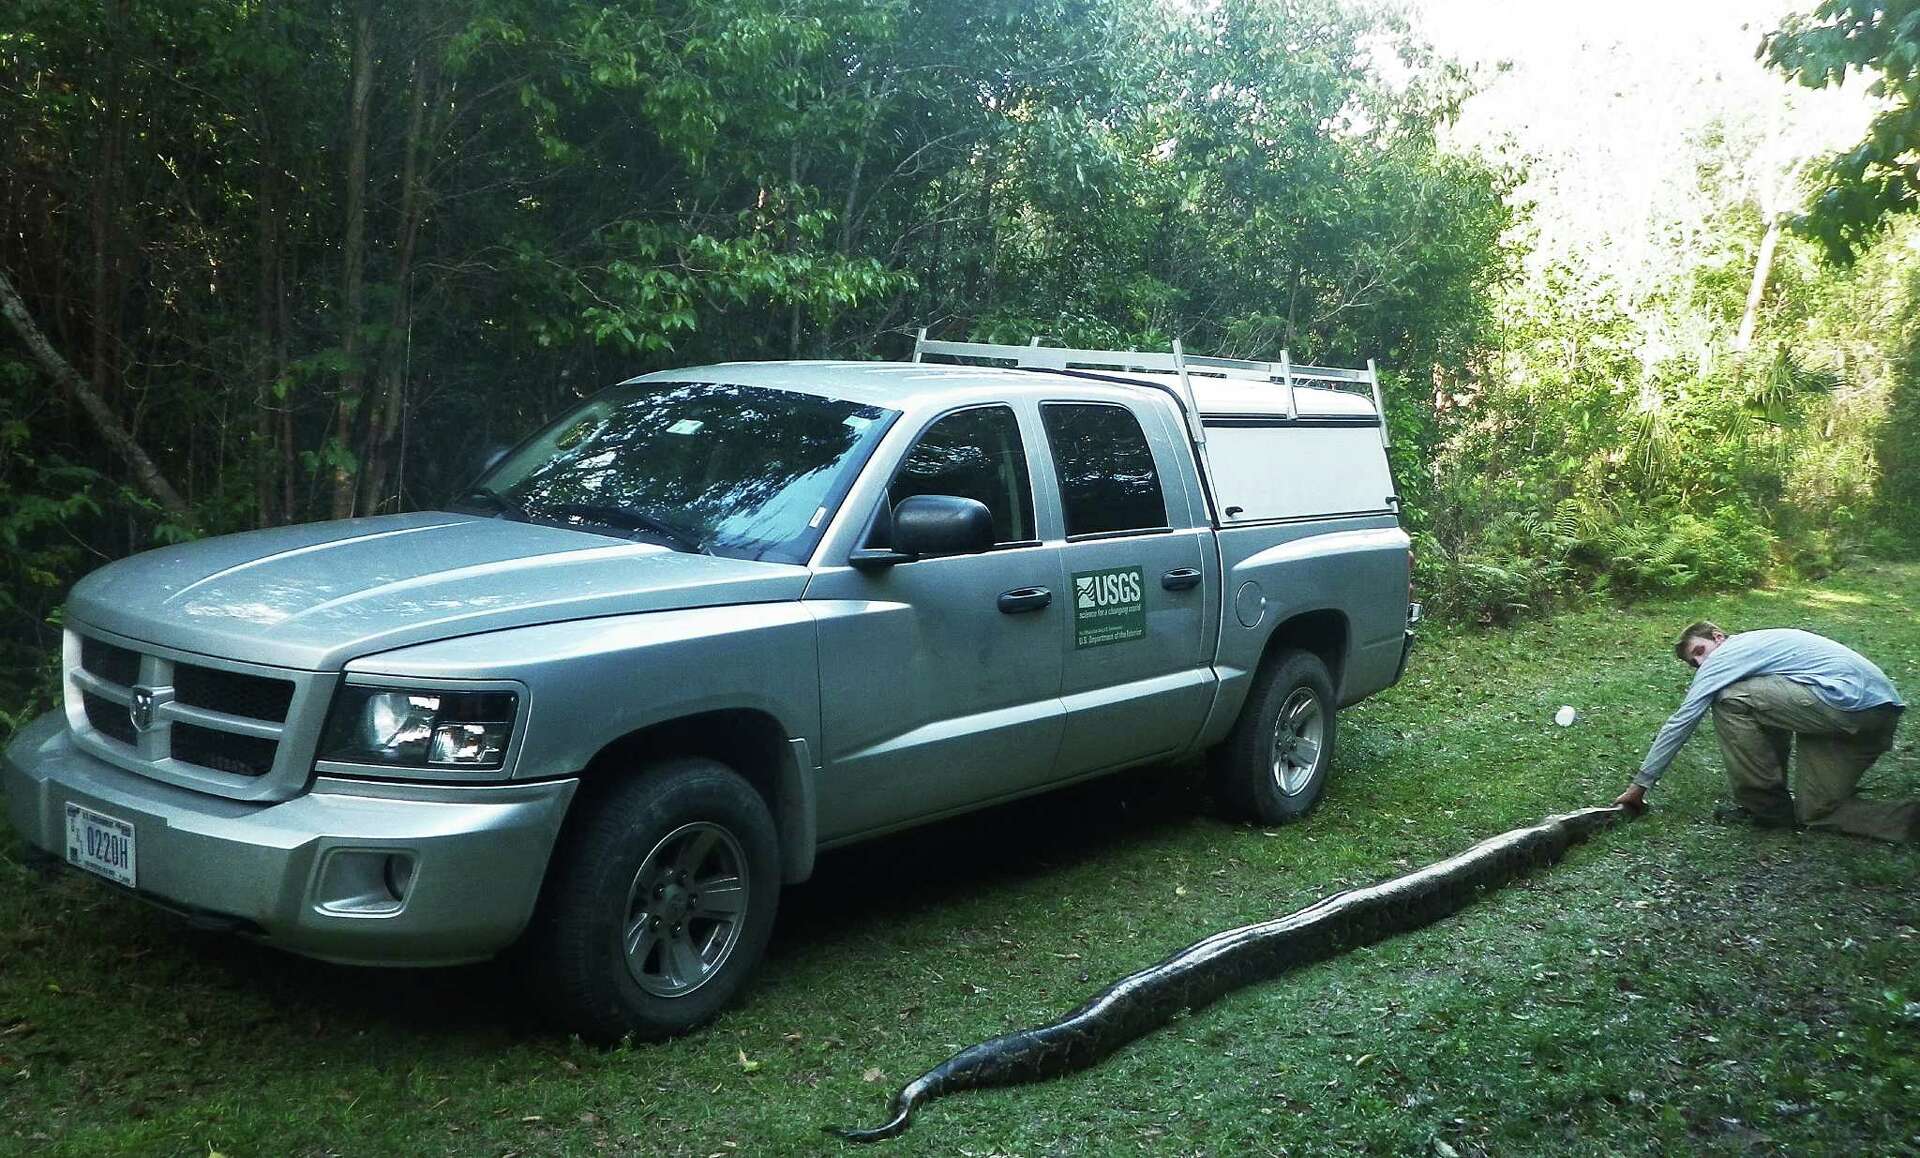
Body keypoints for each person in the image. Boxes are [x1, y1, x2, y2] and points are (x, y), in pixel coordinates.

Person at [1612, 621, 1916, 842]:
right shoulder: (1761, 650)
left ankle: (1765, 806)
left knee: (1731, 698)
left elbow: (1683, 720)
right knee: (1816, 813)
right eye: (1695, 662)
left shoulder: (1731, 652)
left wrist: (1641, 785)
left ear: (1718, 636)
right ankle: (1911, 821)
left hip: (1846, 703)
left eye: (1701, 651)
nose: (1702, 663)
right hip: (1875, 714)